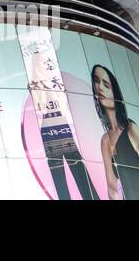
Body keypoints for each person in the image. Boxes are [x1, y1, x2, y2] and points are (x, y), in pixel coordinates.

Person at [21, 31, 97, 200]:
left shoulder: (48, 77)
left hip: (56, 122)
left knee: (71, 167)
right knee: (63, 169)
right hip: (50, 123)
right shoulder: (38, 79)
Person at [92, 64, 139, 200]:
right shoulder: (105, 140)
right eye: (96, 81)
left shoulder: (131, 129)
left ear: (114, 91)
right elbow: (112, 187)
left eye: (106, 85)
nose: (100, 88)